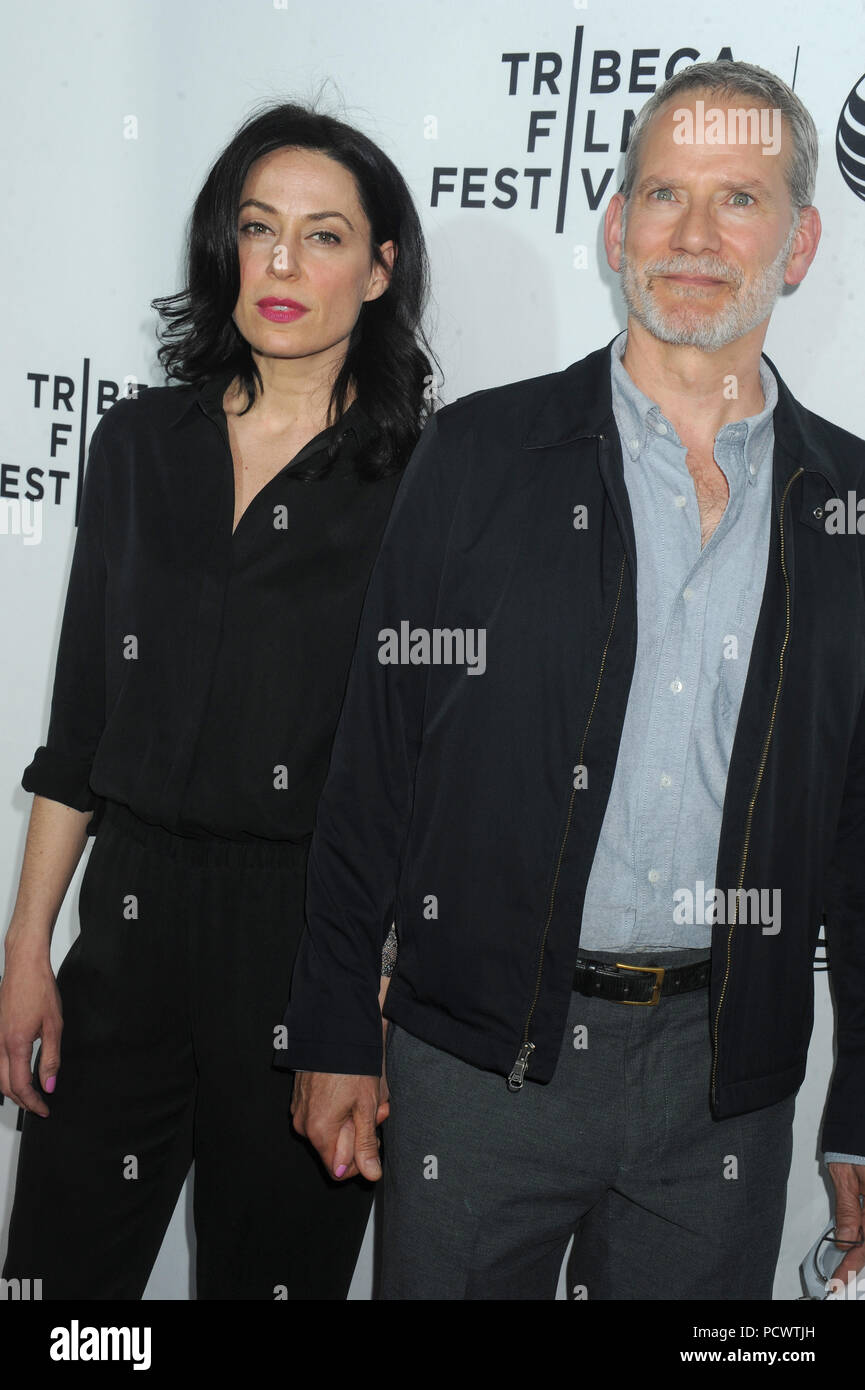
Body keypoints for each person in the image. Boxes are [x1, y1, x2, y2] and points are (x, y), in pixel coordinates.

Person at [282, 60, 865, 1300]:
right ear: (615, 227)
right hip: (476, 1065)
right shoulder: (480, 453)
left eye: (740, 200)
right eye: (663, 195)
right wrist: (335, 1026)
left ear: (801, 241)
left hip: (724, 1089)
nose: (695, 236)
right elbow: (373, 764)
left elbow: (863, 835)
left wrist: (857, 1103)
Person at [0, 100, 434, 1299]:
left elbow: (426, 776)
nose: (284, 264)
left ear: (382, 267)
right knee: (61, 1299)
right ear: (223, 248)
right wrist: (30, 942)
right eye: (258, 228)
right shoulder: (139, 442)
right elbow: (79, 729)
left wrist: (371, 992)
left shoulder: (425, 484)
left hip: (307, 943)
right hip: (127, 924)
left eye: (326, 234)